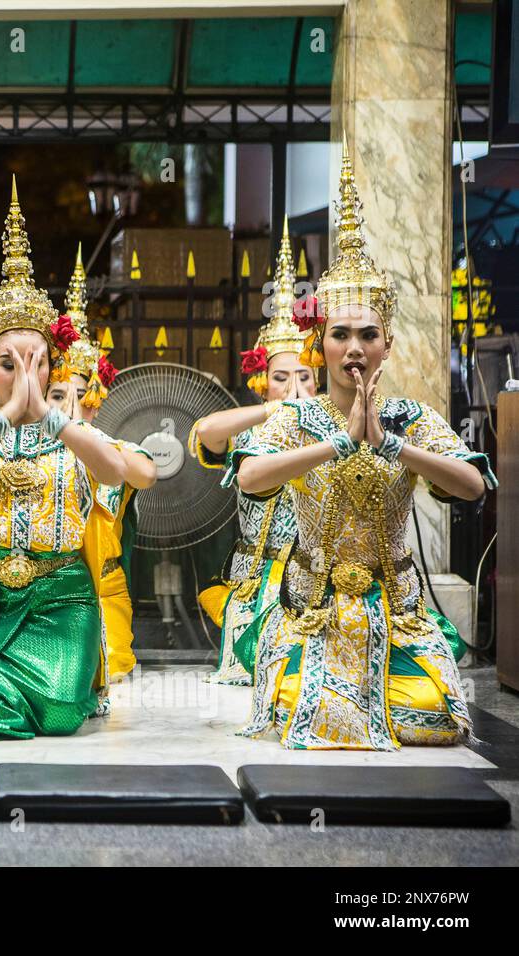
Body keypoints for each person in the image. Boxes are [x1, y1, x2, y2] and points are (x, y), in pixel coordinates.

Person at [227, 145, 494, 749]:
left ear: (388, 343)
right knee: (295, 704)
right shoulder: (298, 417)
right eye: (340, 335)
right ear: (320, 345)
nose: (354, 348)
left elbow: (471, 485)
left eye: (367, 335)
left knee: (436, 717)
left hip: (394, 612)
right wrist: (339, 444)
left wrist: (387, 445)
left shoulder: (409, 417)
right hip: (311, 611)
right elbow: (249, 479)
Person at [0, 178, 128, 743]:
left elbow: (114, 472)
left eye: (34, 361)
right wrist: (6, 417)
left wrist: (54, 419)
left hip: (60, 603)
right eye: (6, 362)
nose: (21, 374)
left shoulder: (75, 436)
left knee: (59, 714)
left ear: (52, 369)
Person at [189, 223, 315, 686]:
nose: (294, 387)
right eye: (282, 376)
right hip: (252, 578)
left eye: (304, 376)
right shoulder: (249, 433)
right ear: (263, 380)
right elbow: (206, 431)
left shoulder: (329, 433)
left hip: (311, 577)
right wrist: (269, 410)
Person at [48, 245, 155, 682]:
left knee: (104, 672)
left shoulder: (115, 449)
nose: (71, 409)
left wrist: (86, 437)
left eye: (81, 399)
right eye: (58, 397)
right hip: (47, 589)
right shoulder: (26, 451)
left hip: (102, 590)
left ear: (96, 402)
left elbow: (146, 474)